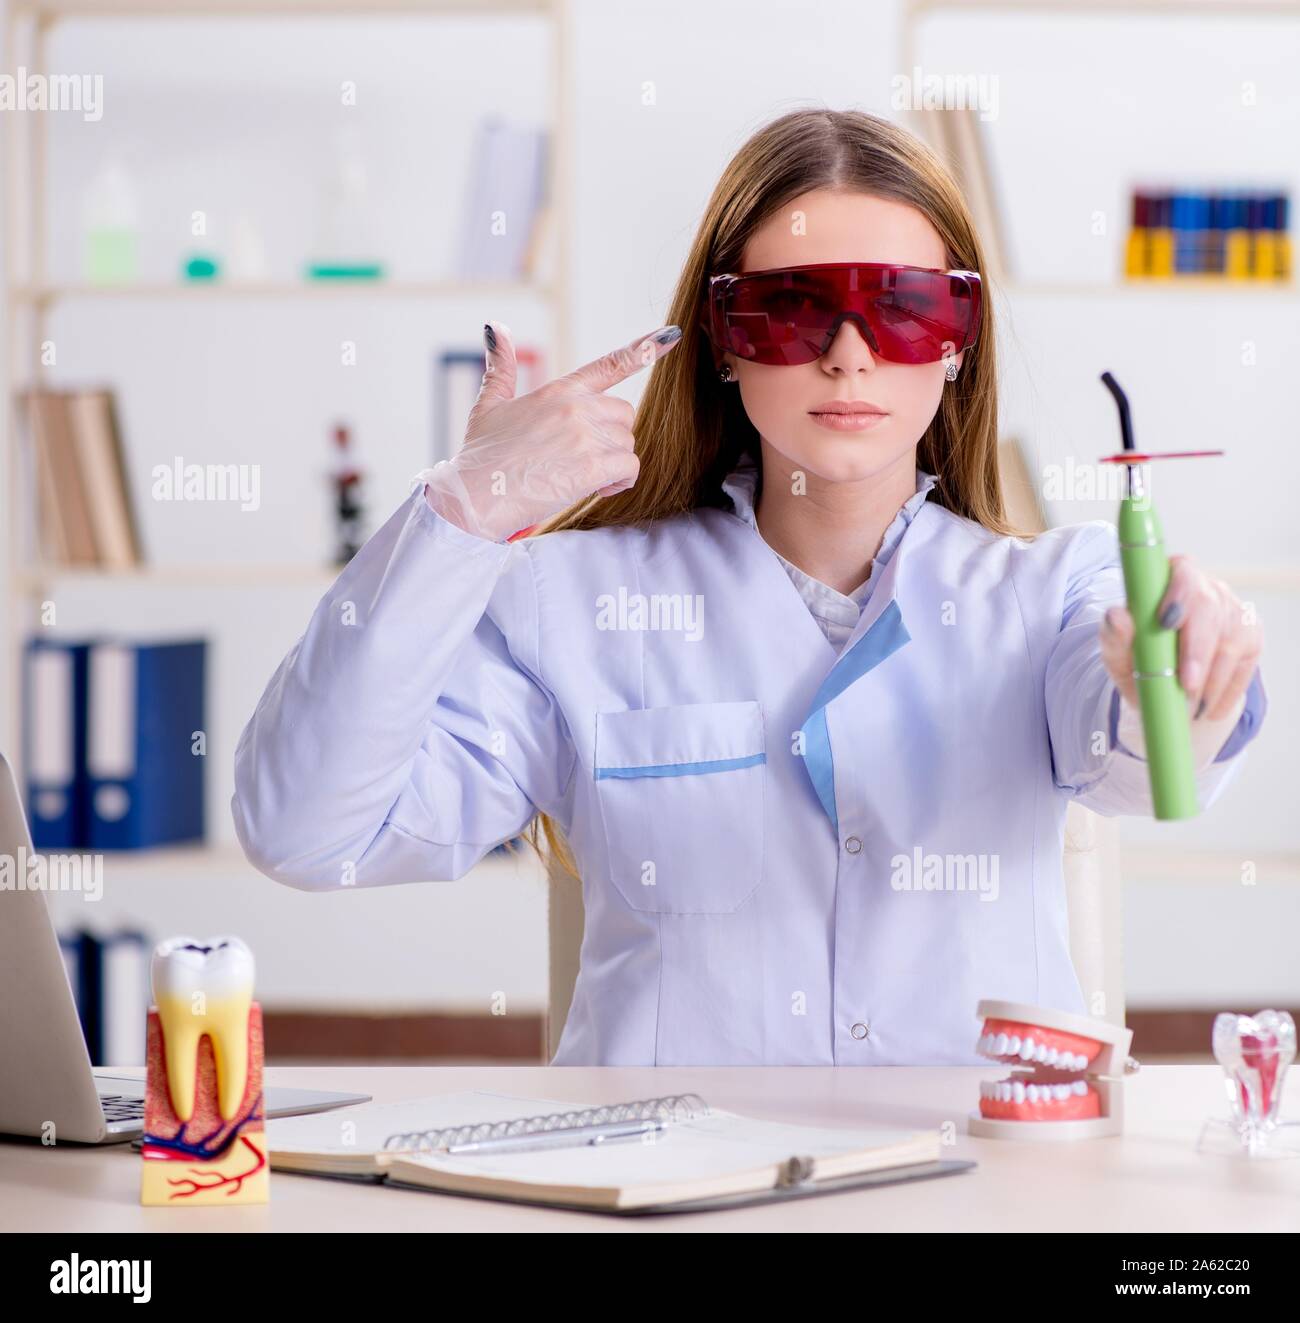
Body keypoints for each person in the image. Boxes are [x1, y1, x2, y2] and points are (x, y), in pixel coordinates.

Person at [232, 109, 1266, 1066]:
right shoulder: (570, 600)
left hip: (973, 1185)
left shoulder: (1053, 595)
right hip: (656, 1183)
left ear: (956, 344)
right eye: (791, 310)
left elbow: (1136, 768)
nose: (848, 356)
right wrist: (460, 512)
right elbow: (306, 830)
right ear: (724, 340)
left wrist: (1175, 681)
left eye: (902, 308)